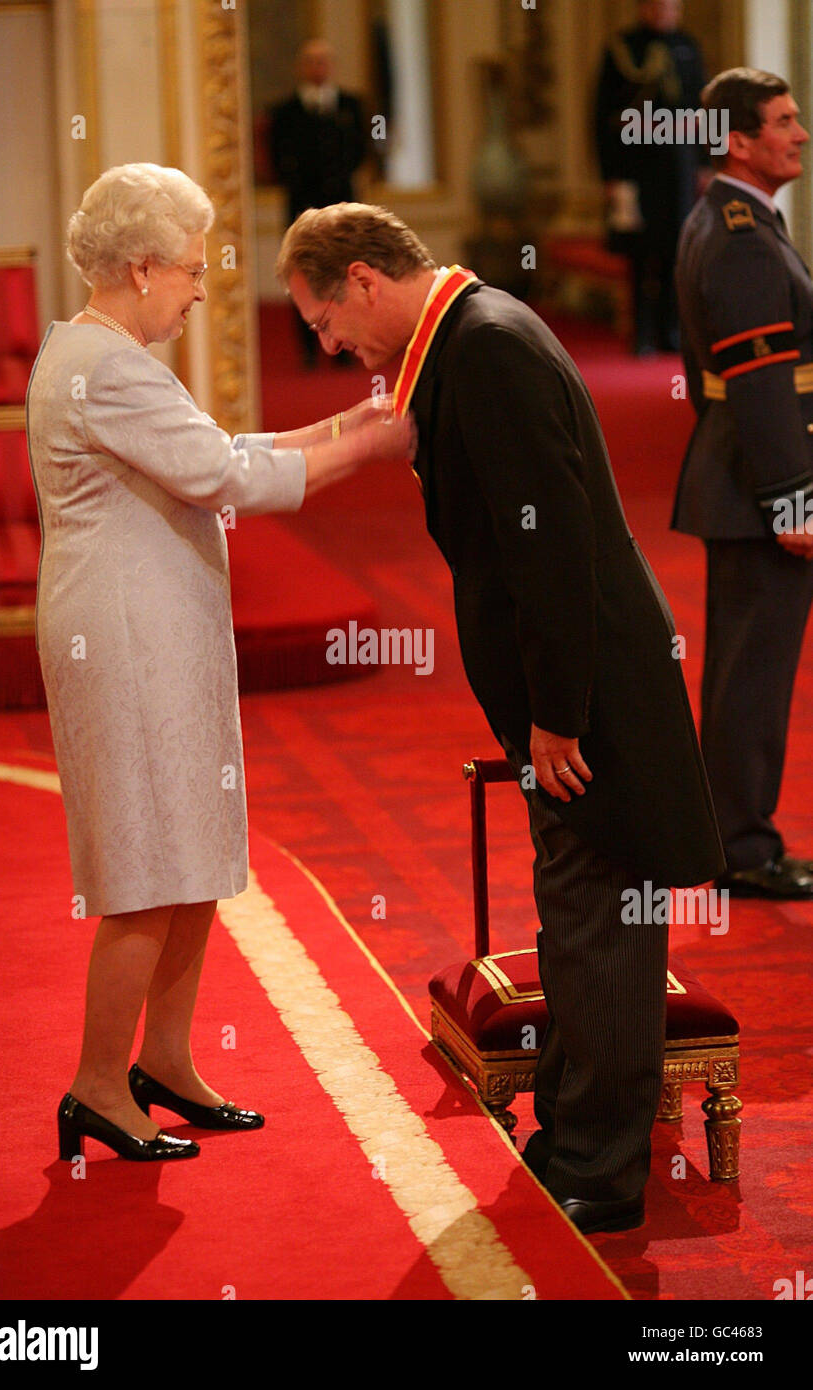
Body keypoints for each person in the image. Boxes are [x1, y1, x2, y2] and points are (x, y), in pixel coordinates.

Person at [276, 203, 724, 1234]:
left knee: (603, 926)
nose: (328, 343)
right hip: (570, 693)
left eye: (322, 320)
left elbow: (552, 550)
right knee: (575, 916)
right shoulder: (466, 340)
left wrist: (557, 720)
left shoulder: (484, 349)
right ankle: (570, 1126)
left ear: (360, 280)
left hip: (590, 699)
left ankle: (601, 1177)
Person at [26, 164, 414, 1163]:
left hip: (154, 628)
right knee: (144, 866)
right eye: (193, 270)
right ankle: (99, 1084)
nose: (202, 288)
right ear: (142, 266)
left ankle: (163, 1059)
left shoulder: (100, 353)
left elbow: (215, 448)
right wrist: (370, 446)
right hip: (124, 640)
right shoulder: (104, 365)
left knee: (187, 848)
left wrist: (345, 424)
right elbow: (223, 473)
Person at [672, 70, 813, 900]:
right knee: (753, 676)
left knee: (739, 671)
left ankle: (728, 836)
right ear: (739, 141)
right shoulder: (740, 237)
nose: (800, 133)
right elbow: (760, 381)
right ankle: (745, 848)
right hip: (762, 485)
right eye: (784, 121)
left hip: (738, 474)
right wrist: (794, 495)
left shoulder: (729, 220)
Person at [595, 0, 708, 354]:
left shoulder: (689, 47)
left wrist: (704, 163)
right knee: (640, 250)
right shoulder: (622, 48)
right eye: (659, 6)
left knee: (677, 249)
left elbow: (702, 109)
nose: (666, 13)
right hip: (635, 164)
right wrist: (609, 173)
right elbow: (601, 115)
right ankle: (641, 333)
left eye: (673, 6)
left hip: (679, 165)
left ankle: (671, 330)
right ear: (644, 7)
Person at [269, 39, 366, 367]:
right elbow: (275, 158)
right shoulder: (284, 113)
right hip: (301, 206)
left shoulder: (351, 106)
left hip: (342, 205)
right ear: (301, 67)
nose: (317, 68)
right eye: (310, 61)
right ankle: (309, 352)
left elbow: (362, 150)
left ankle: (346, 346)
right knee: (303, 273)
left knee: (345, 272)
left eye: (323, 61)